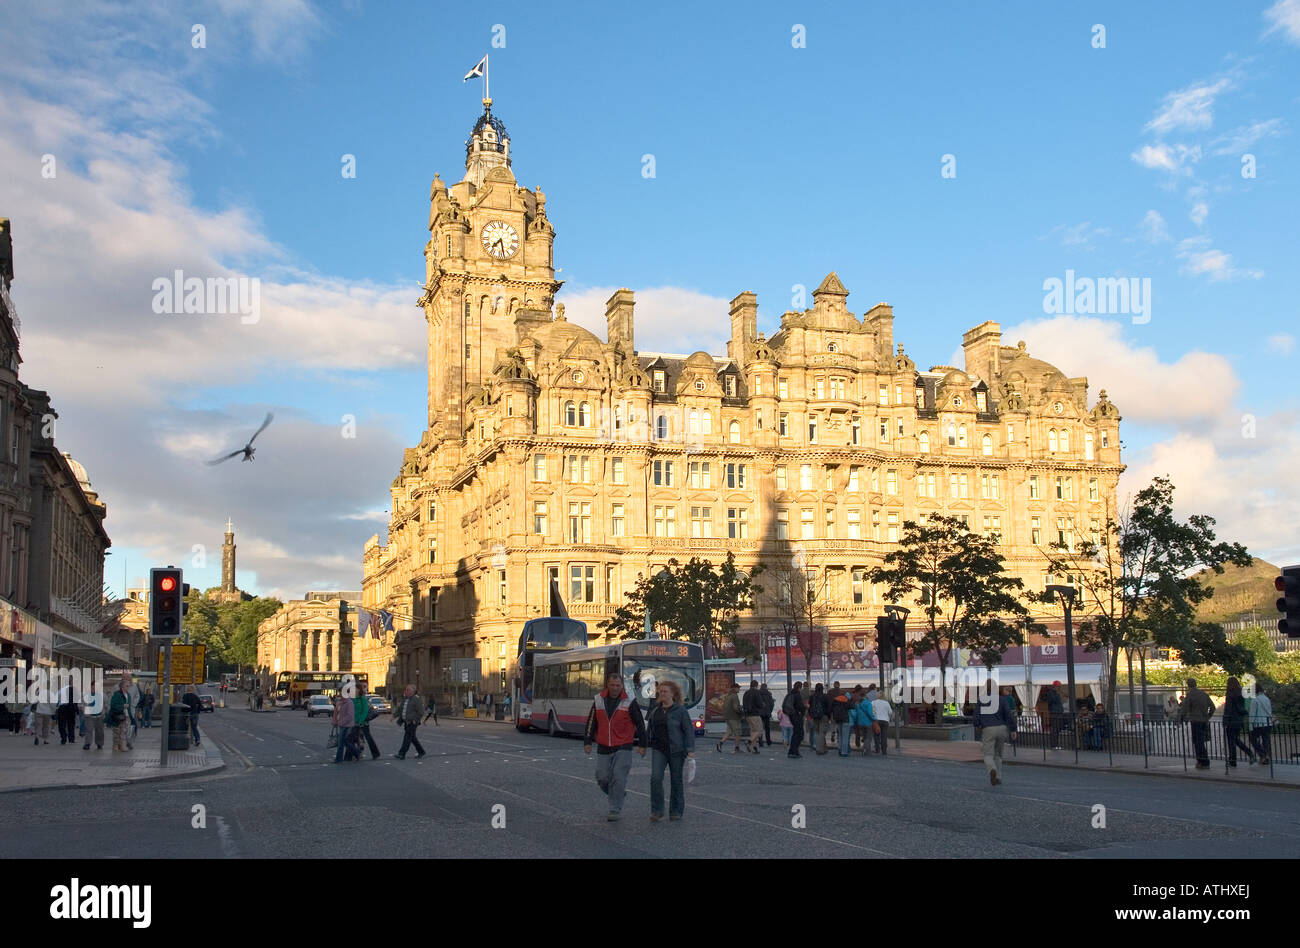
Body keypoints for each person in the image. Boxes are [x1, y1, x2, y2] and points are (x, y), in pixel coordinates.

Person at [583, 671, 647, 821]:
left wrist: (643, 744)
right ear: (607, 685)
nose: (615, 688)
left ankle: (614, 809)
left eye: (618, 685)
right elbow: (592, 722)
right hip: (603, 746)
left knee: (618, 778)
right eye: (612, 685)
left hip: (623, 746)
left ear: (622, 686)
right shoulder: (598, 700)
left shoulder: (630, 701)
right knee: (602, 777)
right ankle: (617, 793)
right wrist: (587, 741)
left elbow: (639, 723)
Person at [647, 679, 696, 821]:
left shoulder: (681, 711)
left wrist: (690, 749)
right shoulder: (655, 710)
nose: (662, 694)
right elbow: (649, 729)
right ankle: (657, 810)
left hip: (677, 750)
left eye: (665, 691)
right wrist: (643, 745)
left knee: (676, 780)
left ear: (672, 694)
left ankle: (676, 811)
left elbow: (688, 730)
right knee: (655, 778)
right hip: (659, 749)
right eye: (660, 691)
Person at [974, 685, 1017, 785]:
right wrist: (1013, 729)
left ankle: (992, 769)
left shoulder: (982, 700)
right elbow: (1008, 714)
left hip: (988, 728)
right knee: (998, 754)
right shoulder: (1002, 700)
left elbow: (976, 715)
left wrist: (977, 725)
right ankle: (998, 776)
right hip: (1001, 728)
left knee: (988, 754)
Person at [1177, 677, 1215, 769]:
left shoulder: (1190, 695)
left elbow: (1184, 709)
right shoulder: (1204, 694)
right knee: (1201, 741)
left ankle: (1203, 761)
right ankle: (1203, 761)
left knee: (1198, 742)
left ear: (1188, 685)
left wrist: (1180, 720)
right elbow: (1213, 707)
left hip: (1195, 721)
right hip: (1204, 721)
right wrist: (1208, 716)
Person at [1222, 677, 1255, 767]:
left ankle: (1233, 760)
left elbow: (1228, 708)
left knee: (1231, 741)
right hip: (1239, 719)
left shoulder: (1230, 693)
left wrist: (1225, 720)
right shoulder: (1241, 692)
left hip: (1231, 719)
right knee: (1235, 739)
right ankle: (1249, 753)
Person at [393, 684, 426, 759]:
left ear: (413, 691)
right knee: (412, 738)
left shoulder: (416, 700)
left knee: (407, 738)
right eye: (406, 689)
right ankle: (421, 751)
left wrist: (415, 720)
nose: (406, 691)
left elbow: (421, 712)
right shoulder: (405, 699)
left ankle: (402, 753)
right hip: (406, 722)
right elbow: (400, 709)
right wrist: (394, 716)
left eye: (408, 690)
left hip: (412, 722)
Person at [353, 684, 381, 760]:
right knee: (355, 738)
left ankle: (375, 753)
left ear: (359, 690)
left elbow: (365, 711)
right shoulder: (353, 699)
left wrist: (361, 721)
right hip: (355, 722)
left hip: (363, 722)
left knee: (367, 738)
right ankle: (356, 754)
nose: (354, 690)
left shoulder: (363, 699)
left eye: (355, 689)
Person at [717, 681, 746, 754]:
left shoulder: (727, 696)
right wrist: (741, 712)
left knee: (729, 732)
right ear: (734, 689)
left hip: (727, 717)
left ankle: (720, 743)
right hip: (734, 717)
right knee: (737, 733)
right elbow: (735, 708)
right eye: (738, 688)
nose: (739, 689)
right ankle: (737, 748)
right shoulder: (734, 696)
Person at [1249, 682, 1273, 765]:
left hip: (1258, 724)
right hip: (1268, 723)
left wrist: (1250, 726)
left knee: (1253, 740)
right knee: (1266, 741)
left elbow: (1252, 714)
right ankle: (1267, 756)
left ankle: (1263, 755)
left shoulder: (1255, 700)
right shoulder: (1267, 698)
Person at [332, 692, 358, 763]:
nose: (340, 694)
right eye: (340, 693)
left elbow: (350, 715)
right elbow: (336, 713)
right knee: (345, 742)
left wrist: (341, 722)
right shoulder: (339, 702)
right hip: (341, 724)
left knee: (341, 742)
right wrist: (334, 722)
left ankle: (338, 759)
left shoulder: (349, 703)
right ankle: (356, 752)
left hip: (347, 725)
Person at [782, 682, 806, 758]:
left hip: (791, 716)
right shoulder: (797, 694)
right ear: (800, 687)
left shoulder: (789, 694)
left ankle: (792, 751)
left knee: (796, 733)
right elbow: (800, 706)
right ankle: (794, 751)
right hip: (797, 716)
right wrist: (805, 708)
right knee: (799, 734)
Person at [81, 677, 105, 750]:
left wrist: (104, 711)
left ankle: (99, 743)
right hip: (90, 716)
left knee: (99, 731)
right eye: (95, 685)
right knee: (89, 730)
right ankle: (87, 744)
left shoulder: (102, 695)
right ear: (91, 686)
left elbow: (106, 703)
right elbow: (81, 704)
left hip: (99, 715)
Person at [109, 677, 133, 752]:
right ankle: (116, 746)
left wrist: (130, 716)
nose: (128, 687)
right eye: (127, 686)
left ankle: (122, 746)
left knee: (124, 732)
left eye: (129, 686)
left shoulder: (128, 695)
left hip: (126, 716)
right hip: (117, 716)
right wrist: (122, 706)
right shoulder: (117, 694)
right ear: (122, 686)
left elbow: (129, 706)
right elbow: (113, 705)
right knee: (117, 732)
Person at [850, 689, 875, 755]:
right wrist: (874, 719)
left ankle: (867, 750)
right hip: (868, 722)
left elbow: (855, 713)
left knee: (864, 736)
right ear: (865, 695)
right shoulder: (868, 703)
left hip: (860, 722)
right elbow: (870, 713)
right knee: (868, 737)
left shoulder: (857, 704)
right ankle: (865, 749)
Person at [830, 684, 853, 757]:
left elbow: (831, 708)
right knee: (845, 736)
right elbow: (851, 706)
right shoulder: (846, 700)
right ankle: (844, 752)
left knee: (840, 735)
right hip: (845, 719)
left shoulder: (835, 700)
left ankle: (839, 749)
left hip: (837, 719)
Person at [741, 681, 764, 754]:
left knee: (753, 731)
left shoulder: (746, 693)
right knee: (759, 730)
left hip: (747, 715)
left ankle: (754, 748)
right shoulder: (756, 692)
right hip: (755, 714)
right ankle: (749, 741)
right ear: (756, 685)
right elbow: (759, 704)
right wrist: (763, 705)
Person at [807, 683, 830, 754]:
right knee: (822, 733)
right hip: (823, 716)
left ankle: (822, 747)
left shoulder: (812, 696)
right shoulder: (825, 696)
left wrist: (810, 714)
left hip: (814, 716)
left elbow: (809, 706)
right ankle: (820, 749)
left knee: (816, 732)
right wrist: (828, 715)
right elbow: (829, 706)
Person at [56, 678, 78, 745]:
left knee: (62, 724)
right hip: (71, 708)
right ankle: (71, 739)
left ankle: (63, 738)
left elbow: (56, 699)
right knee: (71, 724)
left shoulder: (60, 690)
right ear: (70, 683)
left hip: (62, 708)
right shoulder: (74, 690)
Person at [871, 687, 893, 755]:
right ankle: (884, 750)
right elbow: (890, 712)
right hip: (885, 721)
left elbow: (871, 711)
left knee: (876, 735)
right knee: (884, 736)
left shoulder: (873, 702)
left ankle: (877, 749)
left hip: (877, 720)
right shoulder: (886, 703)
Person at [1045, 682, 1065, 748]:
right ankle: (1054, 744)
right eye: (1058, 687)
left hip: (1058, 712)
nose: (1059, 688)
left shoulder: (1056, 693)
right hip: (1054, 713)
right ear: (1055, 686)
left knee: (1057, 729)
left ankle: (1056, 744)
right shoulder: (1051, 693)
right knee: (1054, 730)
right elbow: (1053, 701)